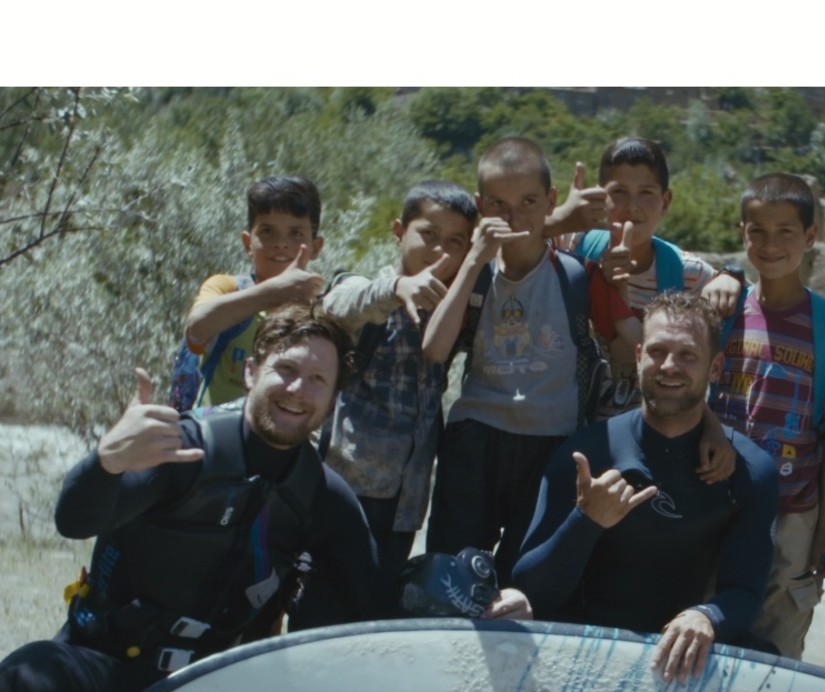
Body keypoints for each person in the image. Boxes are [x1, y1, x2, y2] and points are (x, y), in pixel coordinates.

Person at [0, 305, 390, 692]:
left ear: (332, 399)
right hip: (110, 668)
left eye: (317, 380)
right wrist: (105, 463)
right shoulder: (182, 449)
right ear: (252, 370)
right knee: (16, 691)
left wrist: (465, 607)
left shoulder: (323, 497)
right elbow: (74, 520)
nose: (297, 390)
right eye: (285, 370)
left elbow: (370, 605)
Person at [513, 291, 779, 684]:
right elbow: (531, 590)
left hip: (677, 662)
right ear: (638, 357)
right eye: (657, 351)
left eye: (687, 355)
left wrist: (708, 617)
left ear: (716, 367)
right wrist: (586, 521)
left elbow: (745, 591)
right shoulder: (587, 454)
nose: (669, 366)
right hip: (582, 654)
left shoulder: (750, 471)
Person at [420, 138, 605, 586]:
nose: (514, 217)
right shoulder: (474, 273)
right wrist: (473, 262)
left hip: (552, 441)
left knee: (525, 580)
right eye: (498, 205)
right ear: (480, 205)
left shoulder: (577, 276)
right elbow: (435, 349)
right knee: (450, 576)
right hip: (476, 439)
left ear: (551, 201)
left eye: (528, 202)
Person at [708, 172, 825, 660]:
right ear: (742, 232)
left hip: (795, 514)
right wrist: (726, 273)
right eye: (758, 231)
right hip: (720, 504)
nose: (770, 245)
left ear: (811, 236)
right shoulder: (721, 313)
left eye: (785, 231)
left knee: (779, 650)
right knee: (708, 634)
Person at [322, 180, 477, 584]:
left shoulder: (451, 311)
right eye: (428, 234)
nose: (440, 250)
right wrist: (397, 287)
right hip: (348, 488)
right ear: (398, 231)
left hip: (408, 502)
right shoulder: (369, 293)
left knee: (379, 604)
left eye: (455, 242)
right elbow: (338, 304)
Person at [547, 137, 742, 411]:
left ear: (666, 202)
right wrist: (561, 219)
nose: (633, 206)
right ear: (600, 197)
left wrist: (731, 275)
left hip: (652, 427)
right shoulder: (571, 244)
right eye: (619, 192)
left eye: (646, 193)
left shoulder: (688, 274)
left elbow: (746, 306)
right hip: (572, 423)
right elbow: (512, 246)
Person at [178, 176, 327, 408]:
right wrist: (273, 292)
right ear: (248, 243)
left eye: (296, 234)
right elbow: (197, 329)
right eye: (267, 231)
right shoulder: (226, 288)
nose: (281, 243)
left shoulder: (322, 311)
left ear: (316, 247)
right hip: (213, 429)